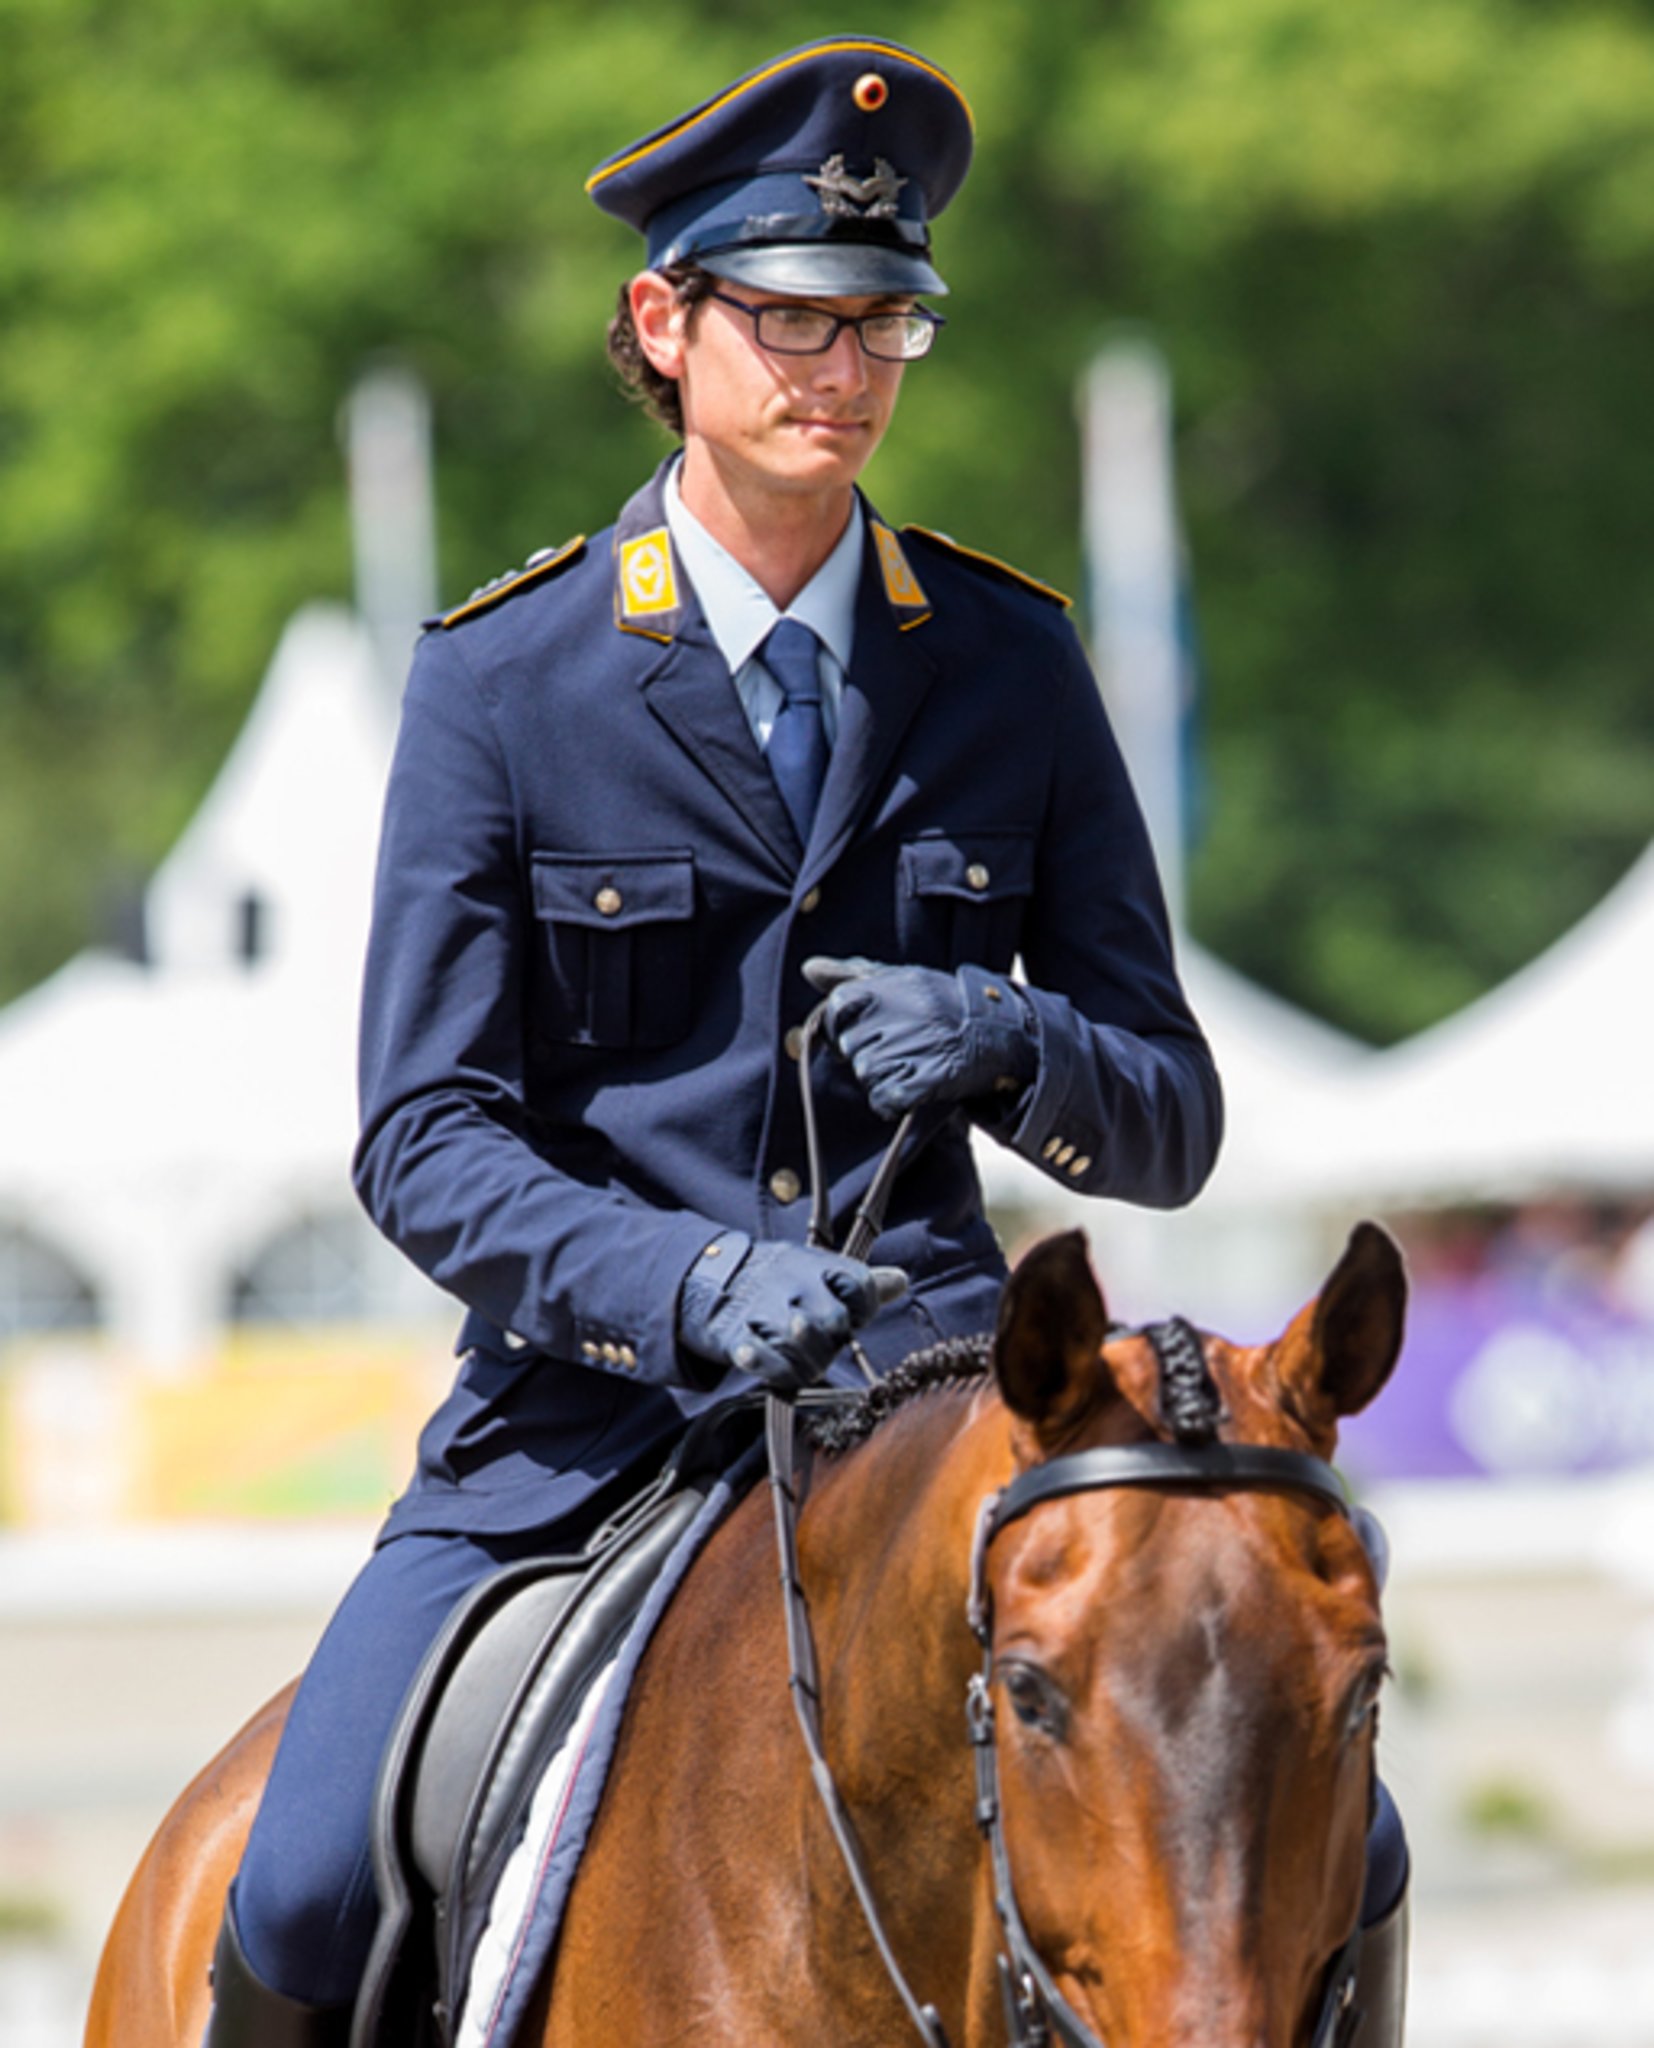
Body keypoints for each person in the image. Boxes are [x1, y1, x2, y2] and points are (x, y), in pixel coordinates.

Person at [201, 34, 1400, 2044]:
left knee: (1331, 1846)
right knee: (312, 1872)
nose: (839, 373)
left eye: (883, 328)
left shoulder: (1005, 663)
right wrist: (687, 1278)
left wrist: (1012, 1038)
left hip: (939, 1404)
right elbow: (422, 1139)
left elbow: (1170, 1116)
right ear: (664, 325)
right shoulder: (504, 679)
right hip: (581, 1432)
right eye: (790, 323)